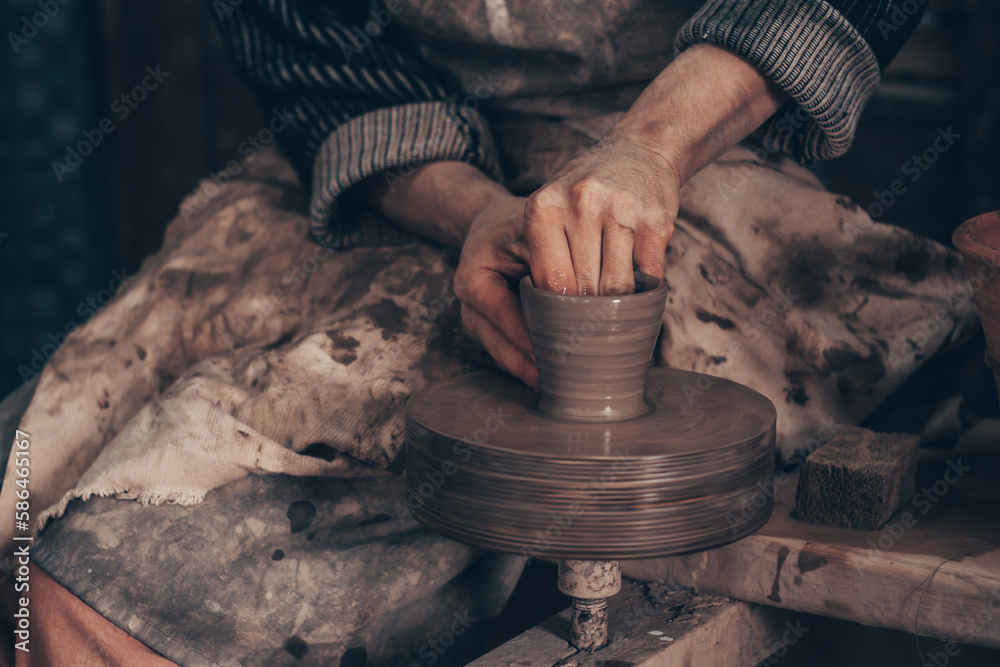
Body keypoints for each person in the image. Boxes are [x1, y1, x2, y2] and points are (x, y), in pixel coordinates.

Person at [0, 1, 977, 664]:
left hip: (700, 152)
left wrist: (648, 146)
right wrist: (472, 210)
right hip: (398, 173)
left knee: (95, 601)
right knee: (21, 520)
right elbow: (310, 52)